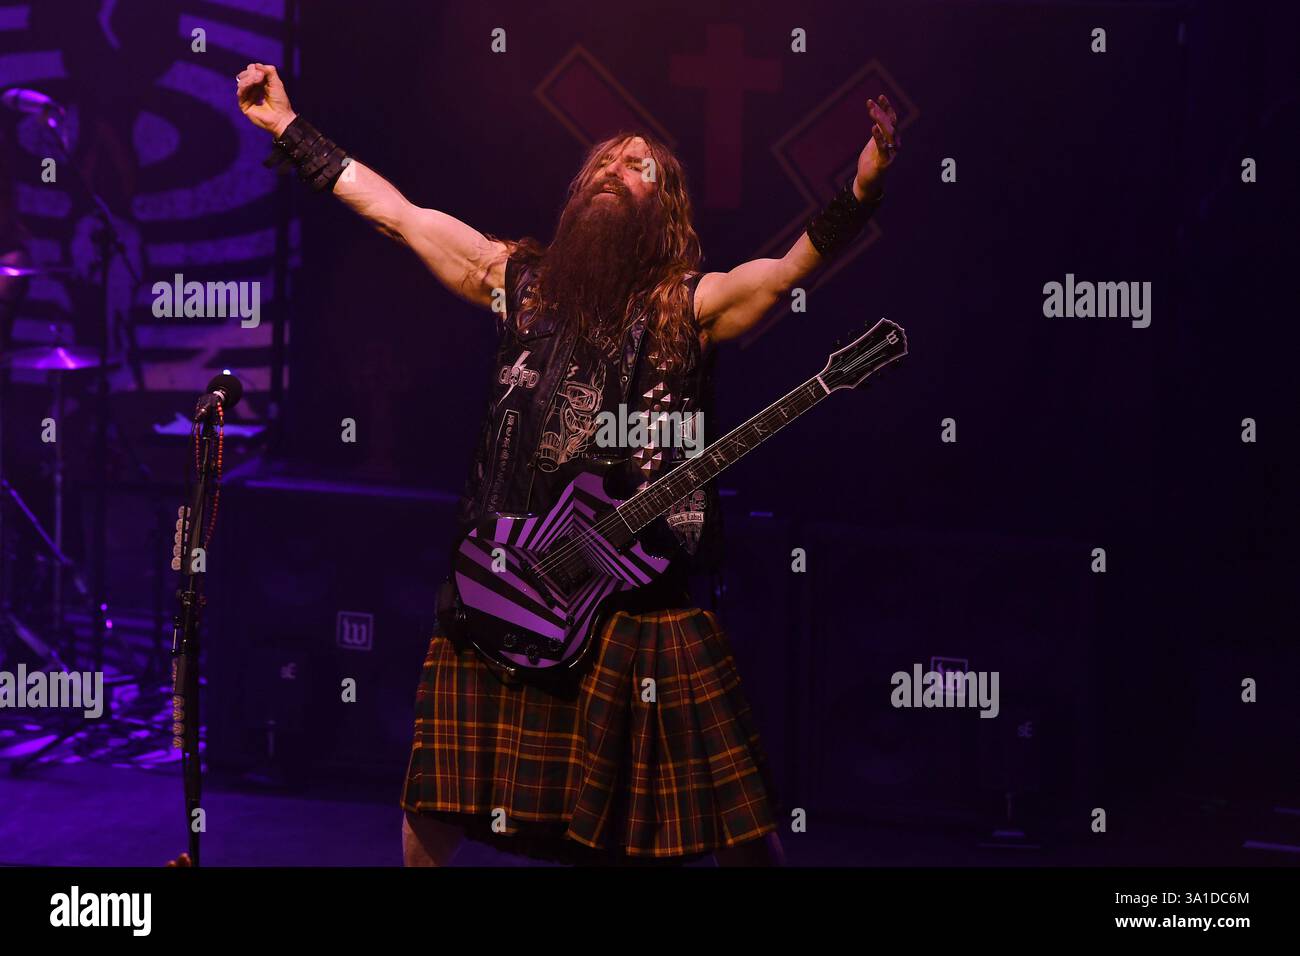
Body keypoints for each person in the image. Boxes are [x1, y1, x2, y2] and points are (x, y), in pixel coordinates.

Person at [235, 61, 899, 866]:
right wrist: (289, 128)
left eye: (638, 165)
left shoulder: (690, 306)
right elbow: (397, 215)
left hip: (639, 600)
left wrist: (857, 195)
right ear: (578, 192)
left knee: (734, 822)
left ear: (666, 206)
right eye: (603, 163)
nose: (616, 170)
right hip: (505, 581)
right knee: (431, 806)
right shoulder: (512, 280)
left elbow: (789, 271)